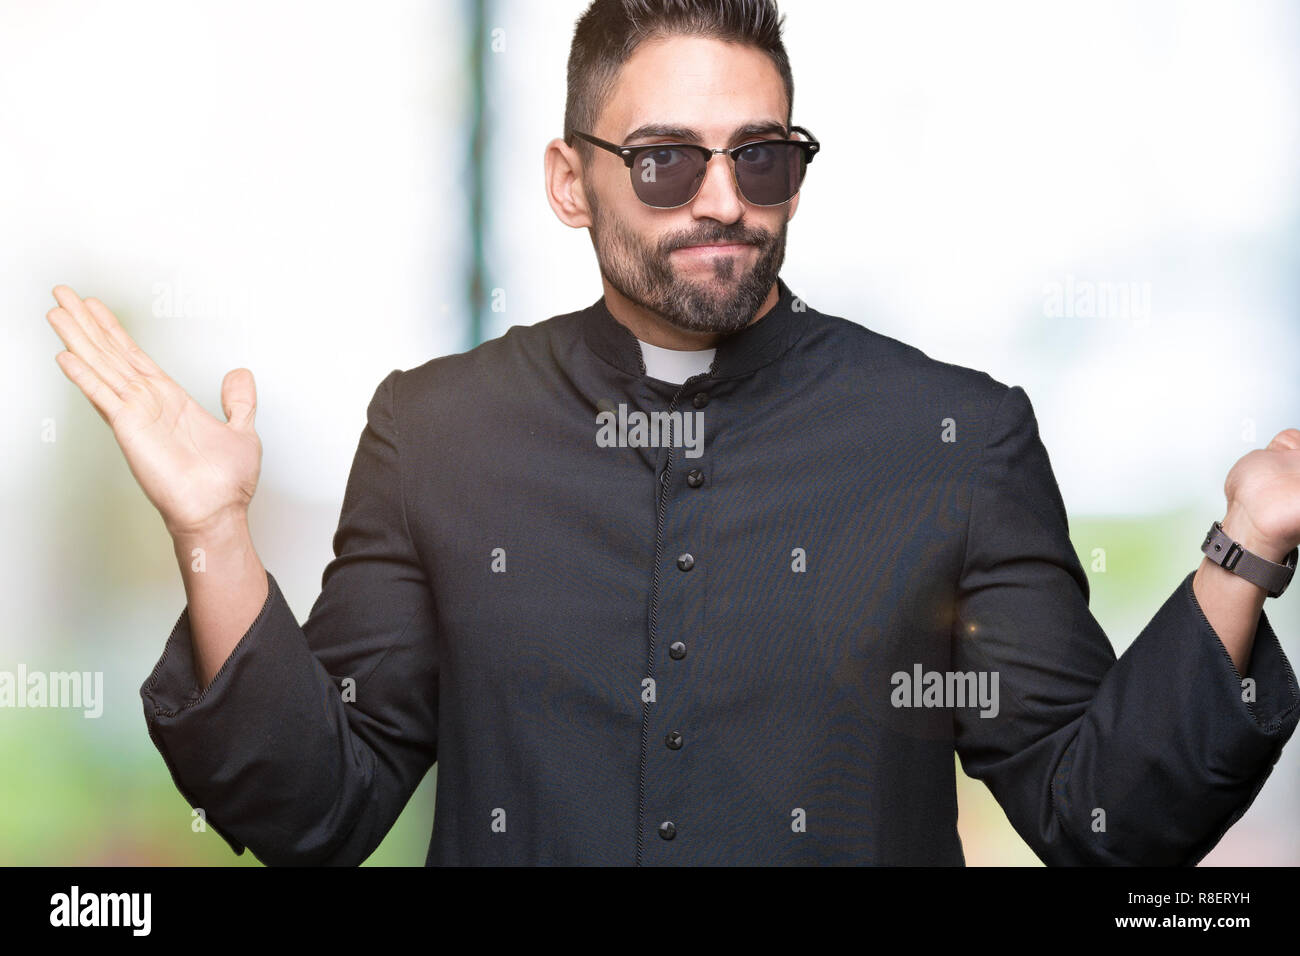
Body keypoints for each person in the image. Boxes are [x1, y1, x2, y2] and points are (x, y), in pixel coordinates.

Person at [46, 0, 1300, 866]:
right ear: (565, 178)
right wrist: (213, 534)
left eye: (762, 158)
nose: (721, 198)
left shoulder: (952, 437)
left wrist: (1243, 546)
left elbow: (1103, 814)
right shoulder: (437, 432)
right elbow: (312, 810)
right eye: (662, 160)